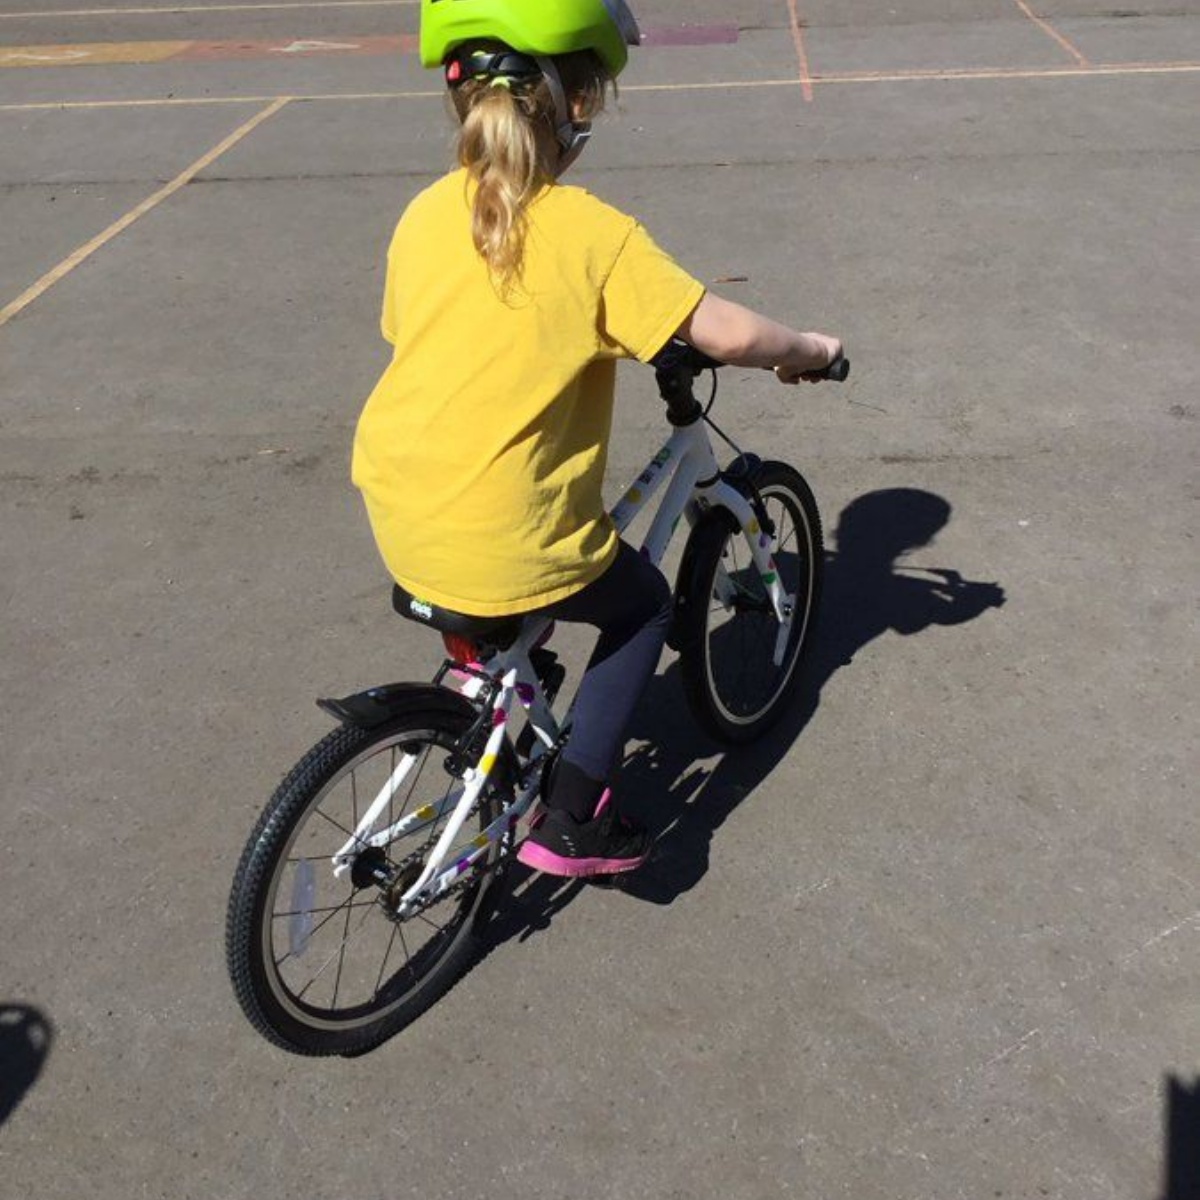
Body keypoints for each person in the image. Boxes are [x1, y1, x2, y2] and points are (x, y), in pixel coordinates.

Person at [352, 0, 843, 878]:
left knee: (507, 574)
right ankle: (571, 818)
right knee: (643, 602)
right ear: (572, 102)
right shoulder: (590, 236)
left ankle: (492, 685)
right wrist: (808, 352)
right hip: (502, 536)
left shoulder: (427, 211)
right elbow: (723, 333)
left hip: (398, 506)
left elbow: (413, 332)